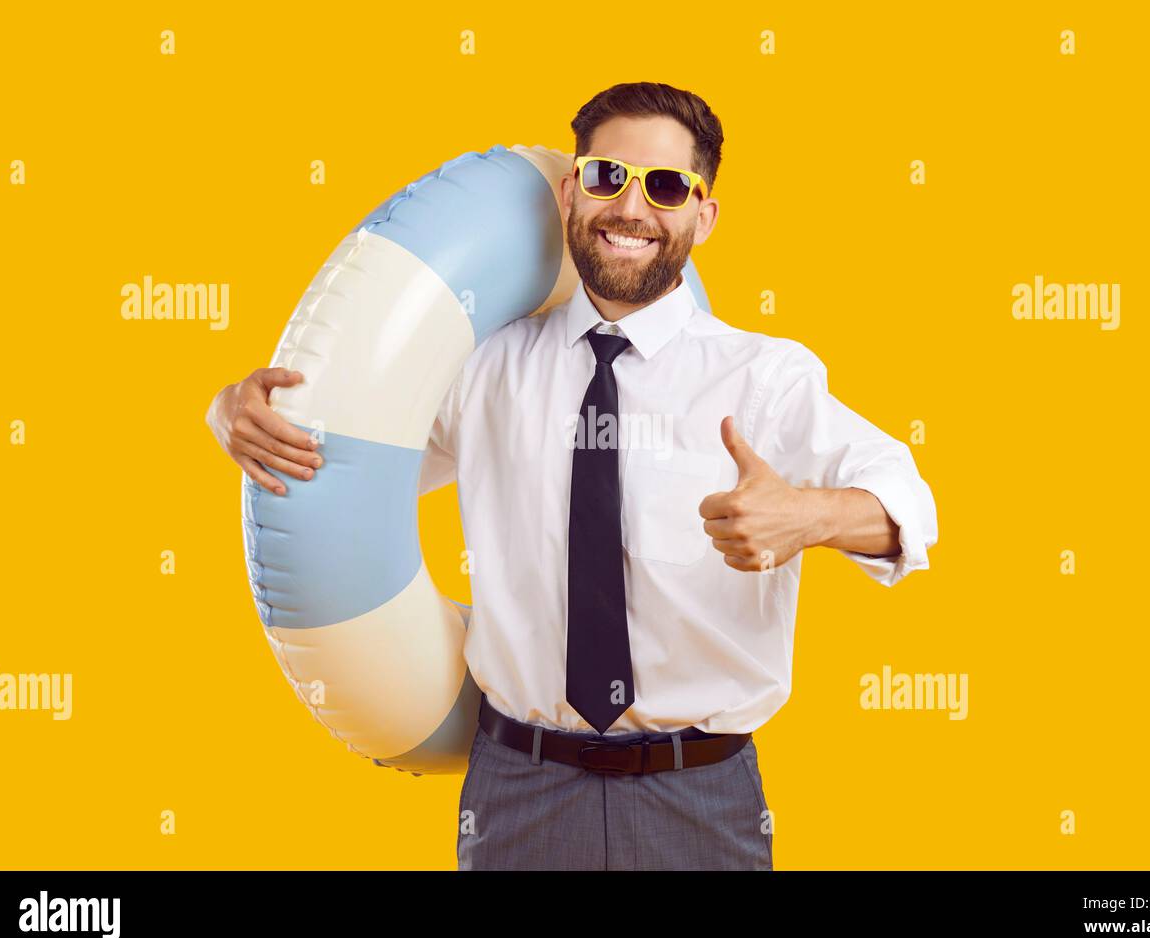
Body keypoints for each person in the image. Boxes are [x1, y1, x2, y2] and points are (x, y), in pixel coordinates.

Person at [206, 81, 939, 870]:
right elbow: (344, 470)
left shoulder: (764, 376)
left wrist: (808, 516)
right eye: (605, 177)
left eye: (665, 187)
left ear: (704, 215)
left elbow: (909, 505)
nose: (631, 209)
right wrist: (231, 411)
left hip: (699, 794)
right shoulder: (482, 369)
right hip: (520, 787)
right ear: (570, 191)